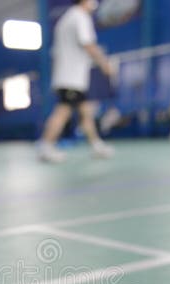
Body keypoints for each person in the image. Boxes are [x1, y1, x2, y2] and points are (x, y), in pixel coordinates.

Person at [38, 0, 115, 163]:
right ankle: (46, 147)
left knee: (86, 112)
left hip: (70, 76)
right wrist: (104, 63)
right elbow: (88, 44)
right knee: (63, 111)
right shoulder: (80, 17)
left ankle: (97, 145)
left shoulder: (66, 18)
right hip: (71, 77)